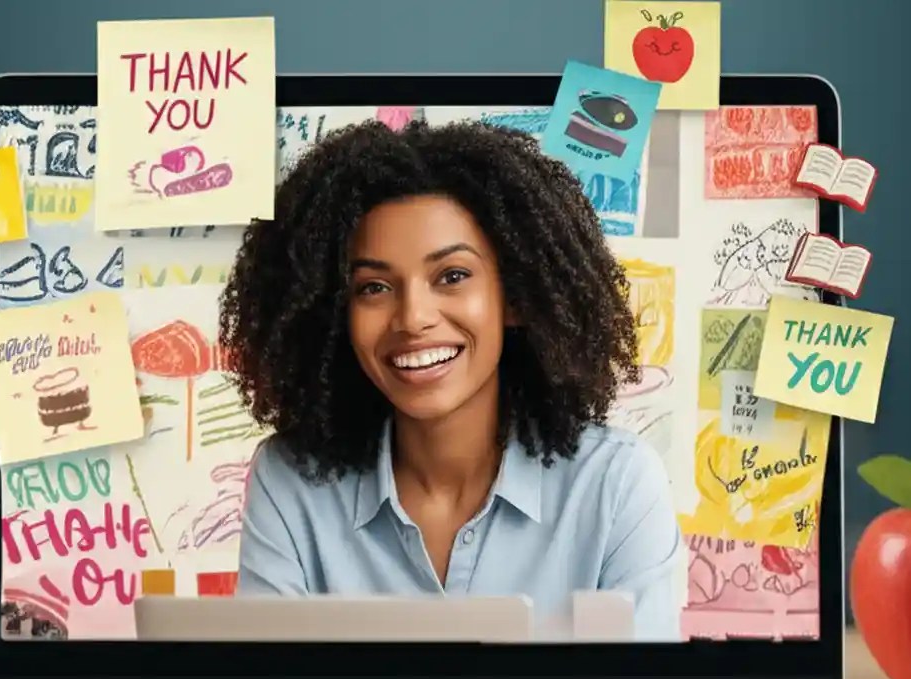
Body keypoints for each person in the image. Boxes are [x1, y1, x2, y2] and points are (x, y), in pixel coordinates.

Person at [217, 119, 682, 640]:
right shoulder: (291, 484)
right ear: (334, 314)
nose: (413, 317)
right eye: (372, 287)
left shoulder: (615, 486)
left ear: (517, 298)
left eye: (452, 276)